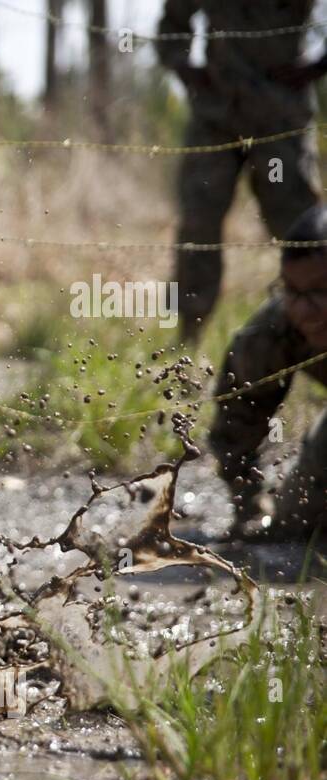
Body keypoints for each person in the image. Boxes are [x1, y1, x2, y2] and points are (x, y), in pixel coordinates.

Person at [157, 0, 324, 341]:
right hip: (216, 116)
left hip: (280, 116)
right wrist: (185, 67)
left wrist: (316, 67)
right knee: (197, 224)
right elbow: (173, 21)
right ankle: (186, 339)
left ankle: (315, 337)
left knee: (302, 228)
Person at [211, 204, 327, 542]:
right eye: (292, 291)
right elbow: (236, 420)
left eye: (320, 292)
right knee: (295, 523)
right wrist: (252, 506)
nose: (304, 310)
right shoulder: (275, 328)